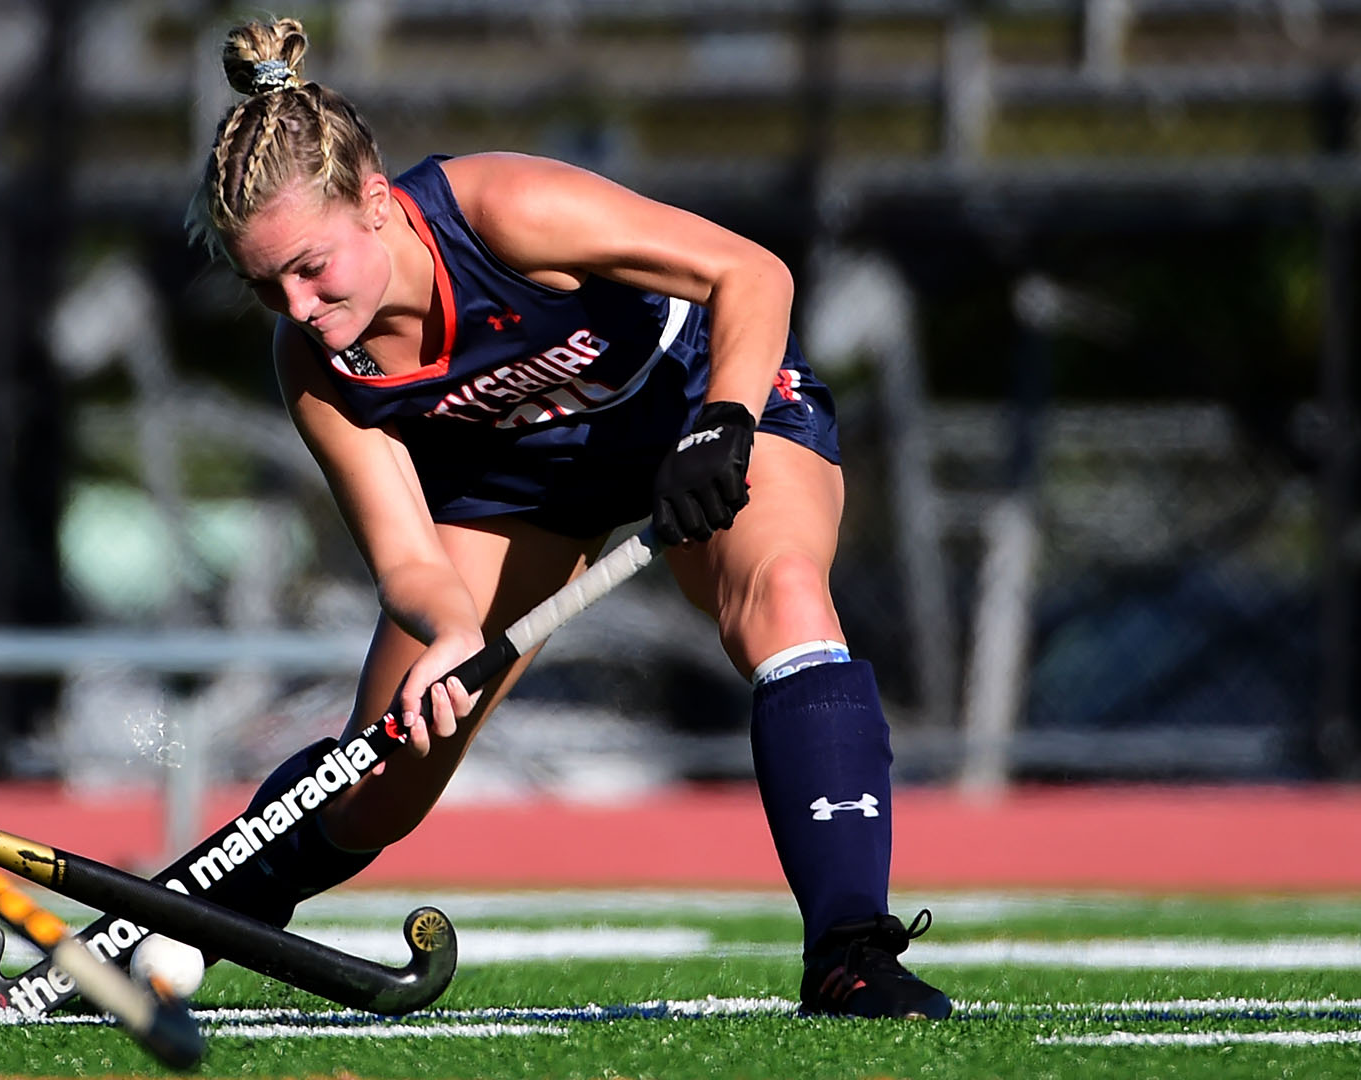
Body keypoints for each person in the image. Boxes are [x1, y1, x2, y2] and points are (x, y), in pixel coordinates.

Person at [181, 18, 951, 1021]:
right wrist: (451, 633)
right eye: (265, 284)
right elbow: (407, 558)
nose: (301, 305)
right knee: (386, 773)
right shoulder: (315, 361)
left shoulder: (505, 208)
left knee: (784, 593)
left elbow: (751, 273)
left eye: (312, 267)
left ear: (375, 204)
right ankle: (189, 928)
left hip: (698, 401)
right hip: (519, 480)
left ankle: (850, 950)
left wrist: (720, 425)